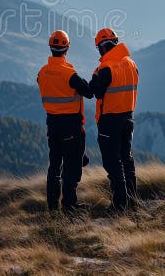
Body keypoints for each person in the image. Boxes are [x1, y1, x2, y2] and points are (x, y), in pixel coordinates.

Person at [36, 30, 93, 212]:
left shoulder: (42, 73)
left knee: (54, 165)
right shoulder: (69, 74)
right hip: (71, 126)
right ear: (66, 48)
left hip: (52, 125)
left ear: (50, 48)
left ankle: (52, 207)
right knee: (72, 166)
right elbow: (89, 92)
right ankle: (69, 206)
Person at [88, 28, 139, 212]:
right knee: (127, 159)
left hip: (110, 120)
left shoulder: (106, 68)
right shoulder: (131, 64)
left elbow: (96, 91)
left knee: (112, 162)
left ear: (102, 47)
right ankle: (132, 201)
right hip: (128, 118)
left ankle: (119, 205)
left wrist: (95, 76)